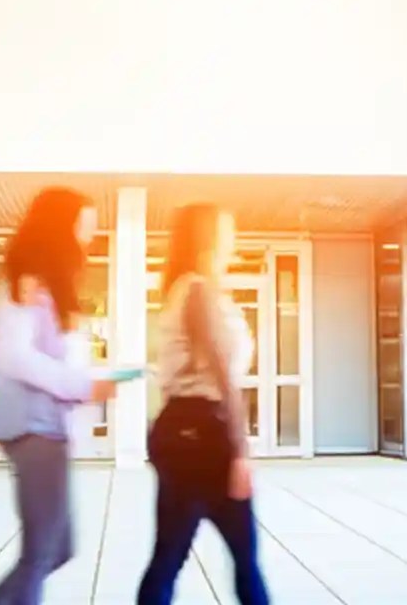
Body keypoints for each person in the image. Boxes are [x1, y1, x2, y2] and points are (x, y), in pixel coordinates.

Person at [0, 187, 116, 605]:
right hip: (33, 427)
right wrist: (80, 385)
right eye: (83, 230)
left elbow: (56, 356)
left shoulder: (51, 286)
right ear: (60, 229)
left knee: (57, 548)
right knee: (41, 553)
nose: (87, 241)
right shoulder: (27, 282)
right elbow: (14, 355)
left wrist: (91, 380)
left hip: (47, 428)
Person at [138, 203, 270, 605]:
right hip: (204, 434)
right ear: (209, 239)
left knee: (169, 558)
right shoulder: (197, 291)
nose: (234, 240)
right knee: (241, 561)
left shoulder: (187, 290)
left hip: (182, 429)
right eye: (228, 232)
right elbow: (221, 375)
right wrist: (239, 450)